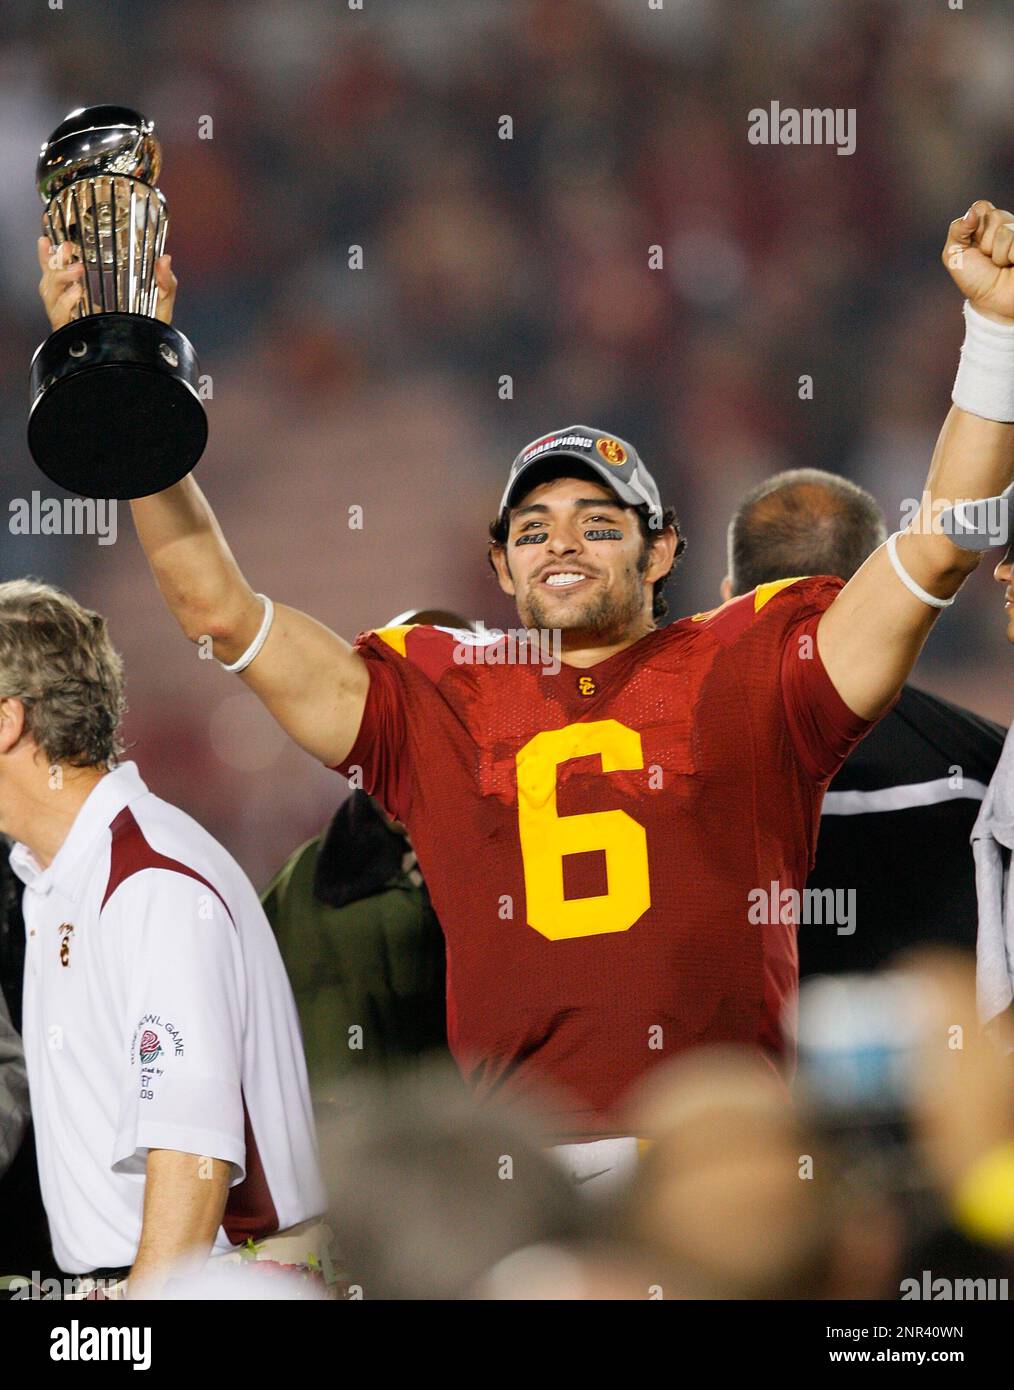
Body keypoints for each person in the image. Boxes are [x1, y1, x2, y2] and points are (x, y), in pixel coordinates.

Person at [36, 200, 1014, 1160]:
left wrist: (994, 335)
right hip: (527, 1171)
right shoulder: (436, 688)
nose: (561, 543)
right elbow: (219, 608)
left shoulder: (751, 659)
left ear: (663, 548)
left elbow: (935, 551)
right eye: (533, 528)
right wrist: (129, 376)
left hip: (714, 1153)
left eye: (598, 521)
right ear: (500, 568)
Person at [0, 580, 326, 1297]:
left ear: (7, 721)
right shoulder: (59, 874)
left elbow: (191, 1150)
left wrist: (139, 1320)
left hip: (209, 1283)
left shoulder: (150, 884)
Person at [722, 468, 1005, 978]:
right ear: (885, 600)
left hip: (736, 1058)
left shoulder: (666, 768)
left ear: (728, 598)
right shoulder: (992, 767)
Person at [261, 611, 467, 1099]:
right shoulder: (307, 886)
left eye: (442, 721)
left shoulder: (538, 864)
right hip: (357, 1168)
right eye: (397, 718)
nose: (412, 749)